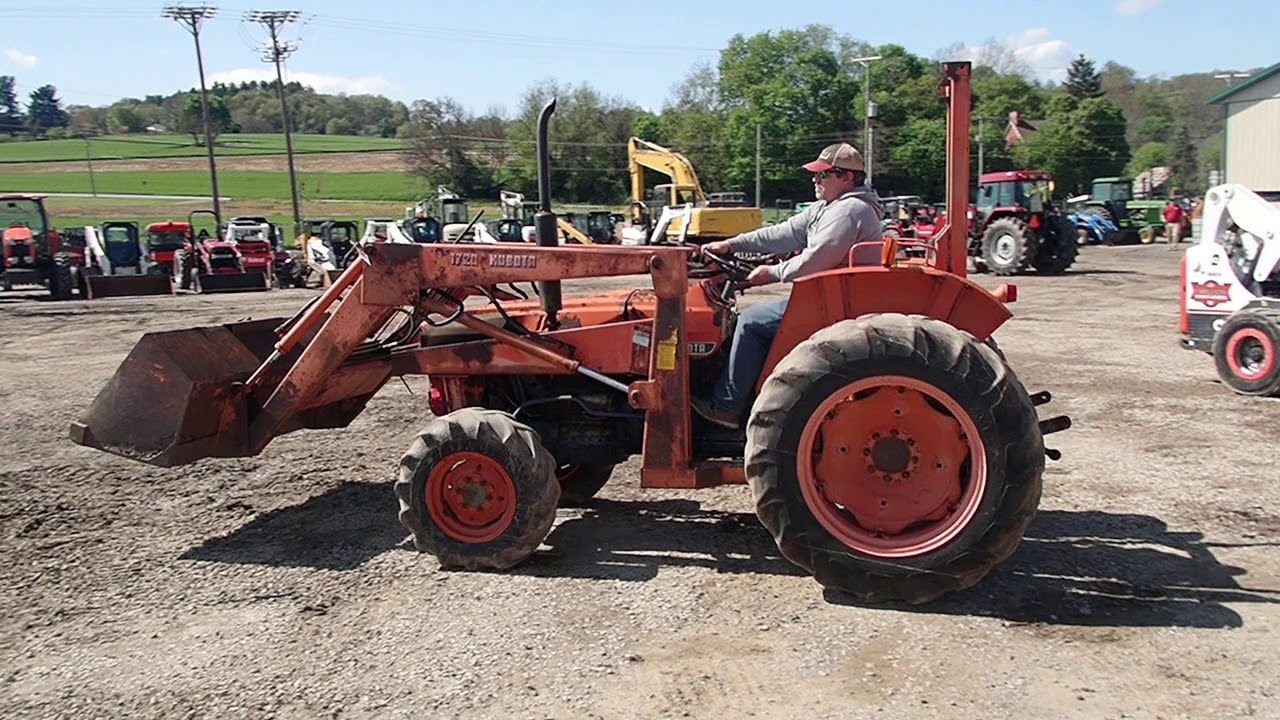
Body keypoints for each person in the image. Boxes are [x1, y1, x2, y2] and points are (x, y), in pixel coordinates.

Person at [690, 142, 885, 429]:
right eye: (815, 174)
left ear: (847, 178)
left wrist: (771, 272)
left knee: (752, 321)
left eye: (823, 175)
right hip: (828, 295)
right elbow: (782, 233)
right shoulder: (827, 207)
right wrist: (731, 244)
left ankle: (726, 407)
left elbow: (815, 261)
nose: (815, 180)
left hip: (837, 303)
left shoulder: (850, 210)